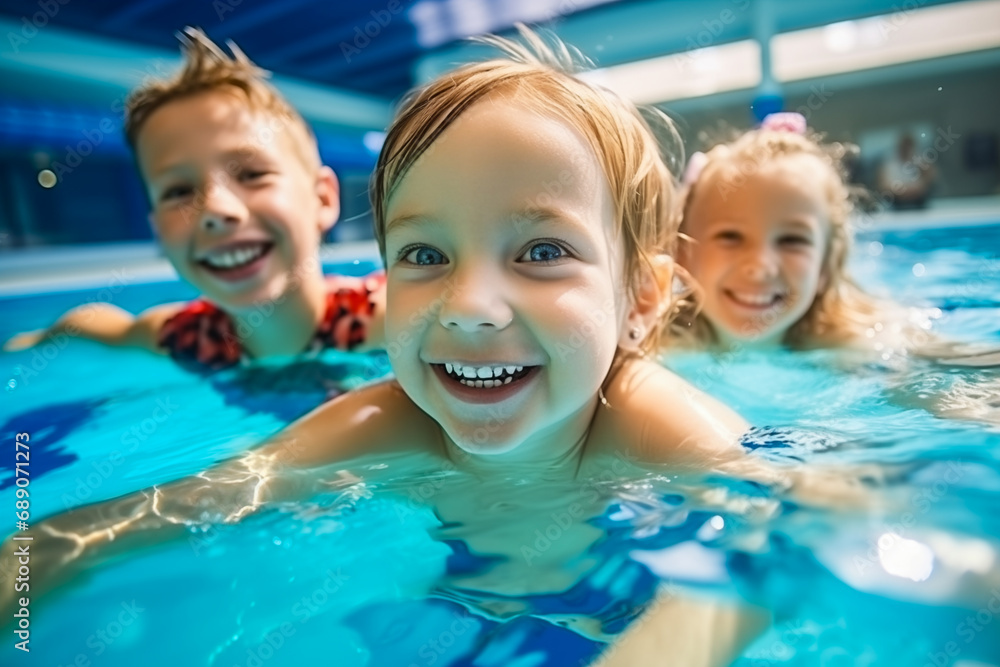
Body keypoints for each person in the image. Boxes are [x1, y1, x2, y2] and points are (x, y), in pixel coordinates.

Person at [3, 31, 867, 664]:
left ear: (642, 300)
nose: (471, 303)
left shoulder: (642, 415)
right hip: (457, 614)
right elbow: (183, 505)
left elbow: (801, 519)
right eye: (425, 255)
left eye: (540, 251)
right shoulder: (386, 419)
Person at [3, 28, 385, 370]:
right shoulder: (191, 337)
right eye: (179, 192)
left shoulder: (389, 317)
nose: (215, 210)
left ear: (322, 199)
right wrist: (32, 341)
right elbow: (88, 320)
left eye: (252, 175)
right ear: (157, 231)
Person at [671, 112, 920, 355]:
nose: (761, 266)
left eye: (792, 240)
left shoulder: (865, 342)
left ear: (825, 266)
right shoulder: (653, 342)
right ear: (681, 252)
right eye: (730, 236)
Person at [877, 132, 935, 210]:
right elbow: (883, 186)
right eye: (904, 146)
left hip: (919, 204)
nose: (906, 149)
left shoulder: (921, 162)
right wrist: (904, 192)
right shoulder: (889, 164)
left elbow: (931, 179)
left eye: (909, 146)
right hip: (896, 205)